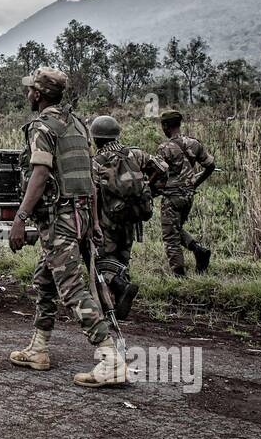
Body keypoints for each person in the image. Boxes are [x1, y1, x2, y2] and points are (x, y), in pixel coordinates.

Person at [8, 67, 126, 388]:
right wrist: (95, 222)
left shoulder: (43, 128)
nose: (28, 93)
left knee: (72, 288)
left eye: (30, 89)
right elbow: (90, 177)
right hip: (81, 216)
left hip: (59, 220)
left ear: (38, 94)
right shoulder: (78, 125)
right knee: (45, 279)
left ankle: (109, 357)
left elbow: (40, 174)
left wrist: (20, 218)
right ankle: (39, 347)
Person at [89, 114, 165, 320]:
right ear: (116, 134)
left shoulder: (96, 162)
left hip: (108, 219)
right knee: (123, 256)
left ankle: (120, 289)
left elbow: (91, 194)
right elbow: (162, 168)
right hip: (132, 216)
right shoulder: (135, 154)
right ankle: (121, 302)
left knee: (102, 259)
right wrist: (150, 192)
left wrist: (92, 221)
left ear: (96, 138)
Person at [155, 109, 215, 276]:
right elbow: (210, 166)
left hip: (172, 198)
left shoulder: (164, 148)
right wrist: (195, 183)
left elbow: (157, 175)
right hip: (188, 196)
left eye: (163, 126)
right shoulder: (194, 143)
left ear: (166, 126)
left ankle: (179, 275)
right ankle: (199, 251)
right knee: (176, 228)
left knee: (170, 237)